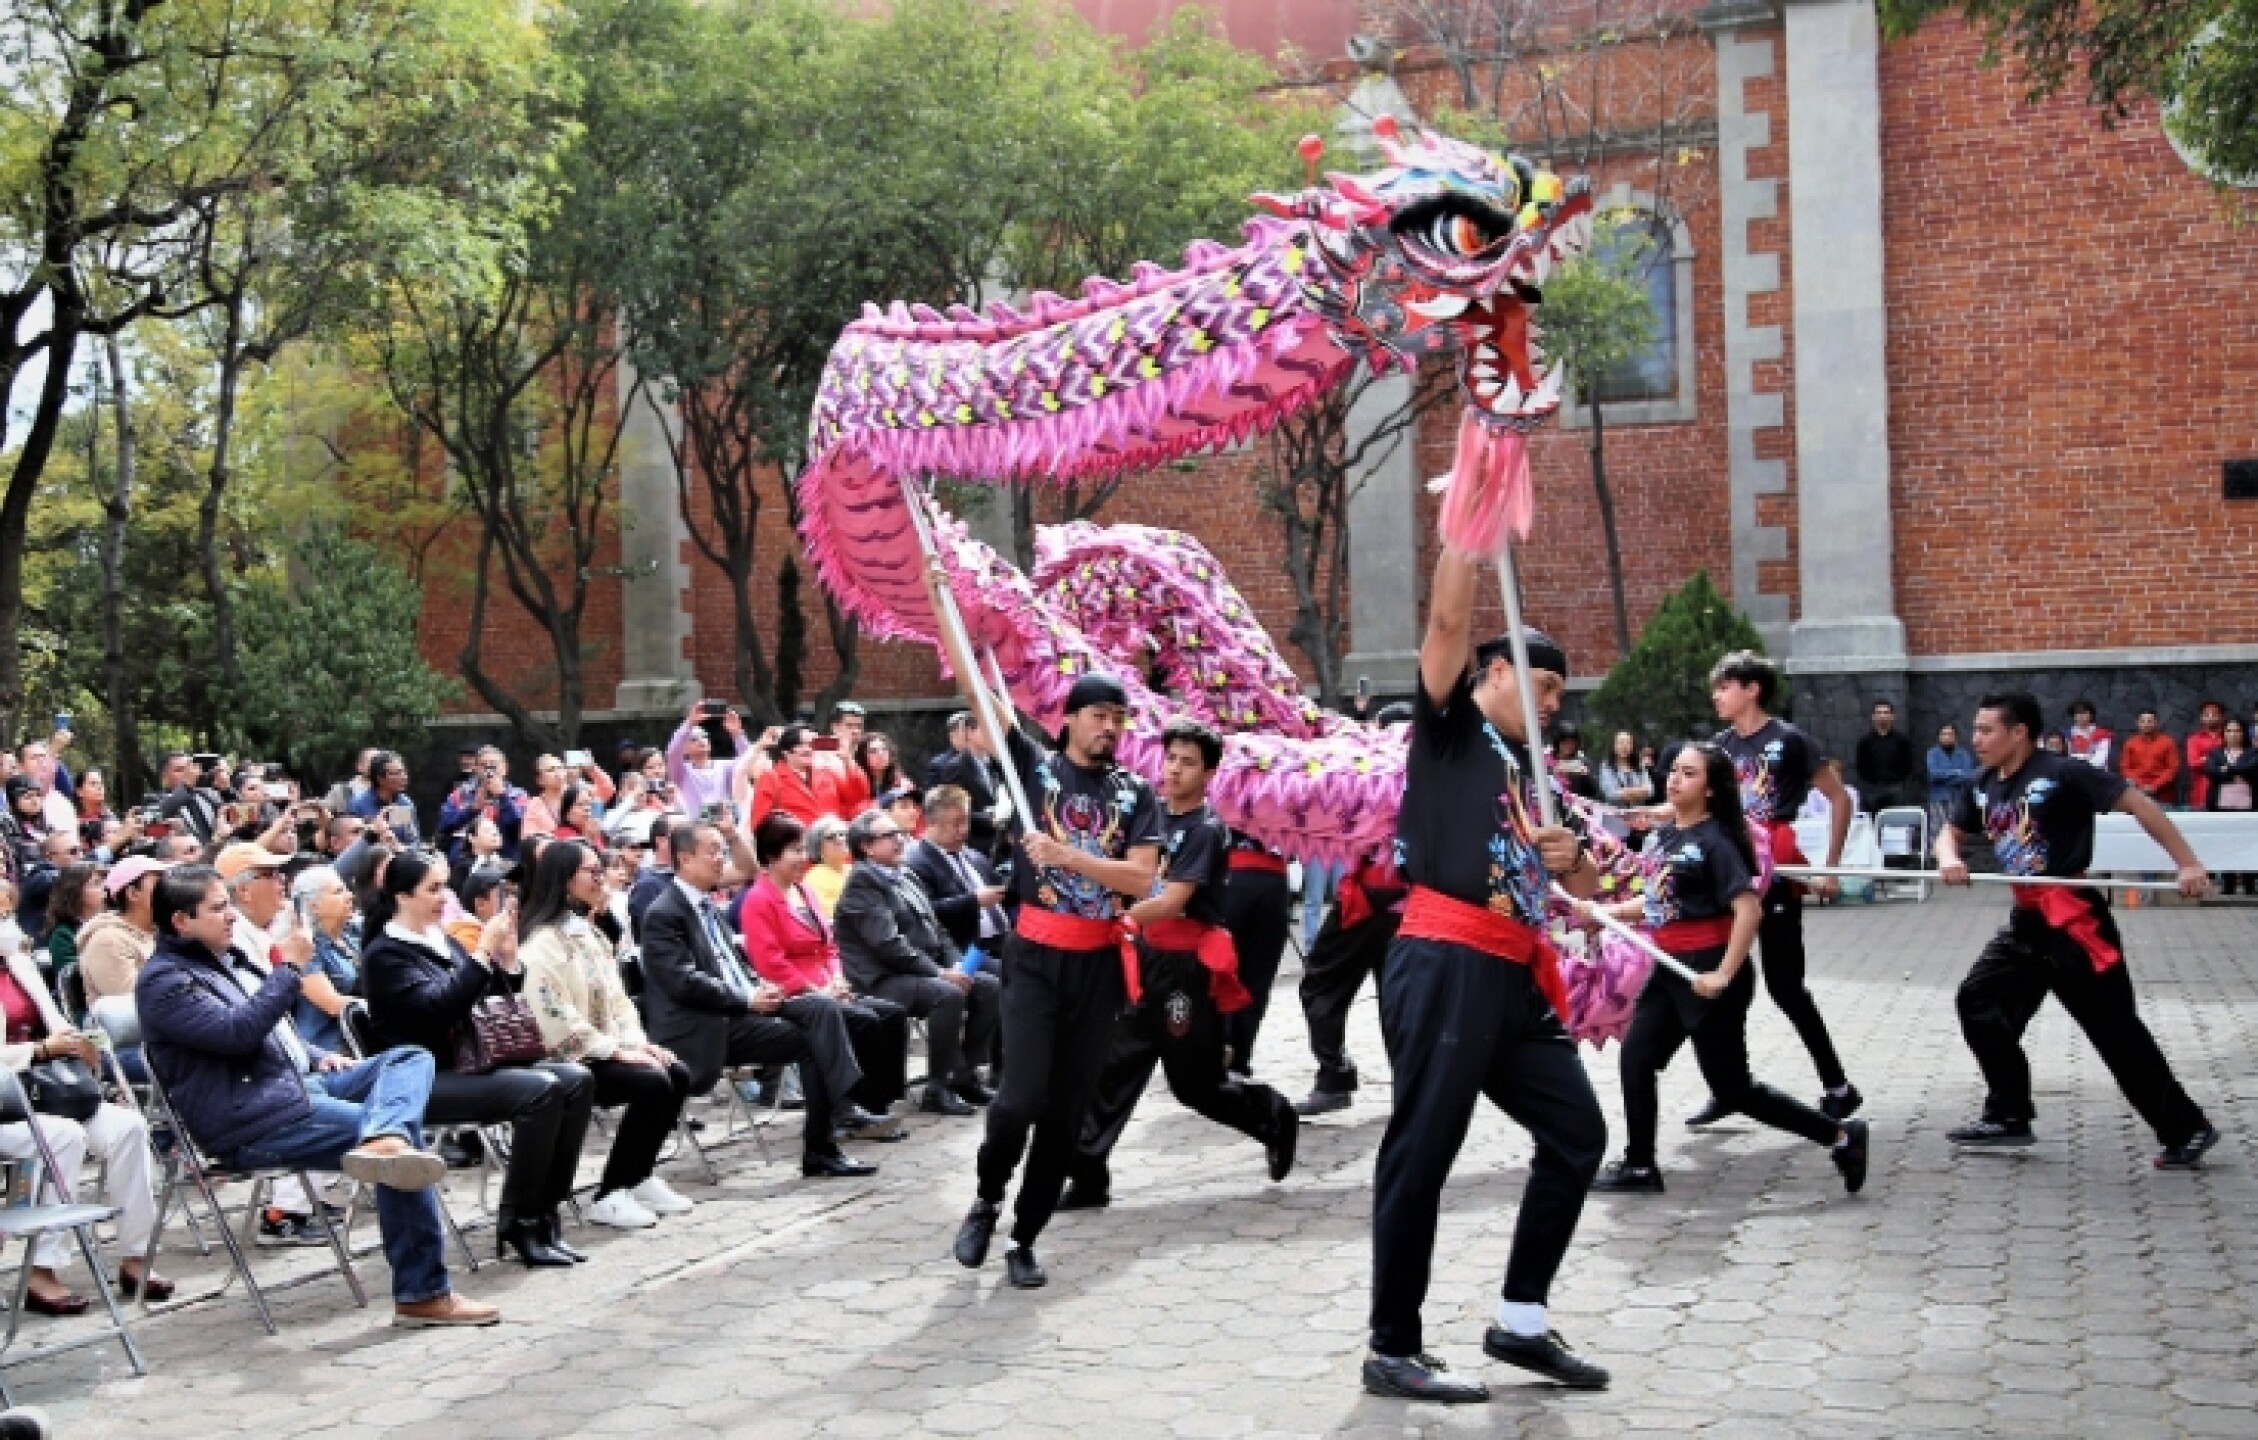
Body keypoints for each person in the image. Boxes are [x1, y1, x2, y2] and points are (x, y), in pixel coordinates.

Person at [1359, 542, 1610, 1404]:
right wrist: (1469, 525)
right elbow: (1445, 624)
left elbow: (1581, 880)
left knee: (1577, 1135)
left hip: (1513, 973)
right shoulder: (1450, 732)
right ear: (1496, 675)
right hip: (1444, 961)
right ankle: (1393, 1345)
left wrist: (1570, 855)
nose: (1552, 708)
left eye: (1561, 699)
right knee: (1424, 1149)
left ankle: (1522, 1322)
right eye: (1541, 689)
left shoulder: (1539, 775)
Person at [140, 865, 500, 1328]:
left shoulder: (216, 961)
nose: (231, 915)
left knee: (406, 1057)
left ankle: (385, 1134)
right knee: (404, 1158)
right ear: (180, 922)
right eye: (218, 907)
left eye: (229, 903)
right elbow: (235, 1035)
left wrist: (314, 1055)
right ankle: (422, 1292)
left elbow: (268, 1034)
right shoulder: (166, 982)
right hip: (252, 1117)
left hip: (294, 1084)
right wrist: (288, 968)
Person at [931, 627, 1160, 1287]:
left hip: (1096, 968)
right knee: (1017, 1100)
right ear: (1069, 720)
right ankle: (986, 1197)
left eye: (1118, 718)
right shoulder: (1032, 768)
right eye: (1098, 715)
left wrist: (1068, 858)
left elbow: (1141, 880)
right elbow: (977, 690)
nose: (1109, 727)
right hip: (1034, 957)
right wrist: (944, 600)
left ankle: (1025, 1237)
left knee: (1065, 1115)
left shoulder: (1134, 794)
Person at [1936, 692, 2219, 1169]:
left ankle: (2187, 1129)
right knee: (1978, 1000)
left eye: (1986, 731)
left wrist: (2188, 864)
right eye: (1976, 730)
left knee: (2115, 1032)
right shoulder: (1981, 784)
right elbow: (1951, 832)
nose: (1976, 740)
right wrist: (1948, 857)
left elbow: (2141, 806)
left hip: (2074, 922)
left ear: (2018, 731)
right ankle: (2008, 1114)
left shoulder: (2065, 773)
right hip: (2025, 924)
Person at [1588, 744, 1869, 1195]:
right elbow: (1661, 902)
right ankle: (1640, 1165)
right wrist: (1604, 911)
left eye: (1689, 773)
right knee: (1637, 1057)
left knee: (1734, 1089)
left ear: (1712, 789)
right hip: (1669, 969)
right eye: (1674, 771)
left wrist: (1723, 973)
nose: (1674, 779)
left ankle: (1841, 1136)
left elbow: (1749, 911)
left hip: (1710, 972)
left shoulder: (1715, 841)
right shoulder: (1666, 836)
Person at [1059, 720, 1297, 1210]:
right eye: (1170, 759)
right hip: (1142, 957)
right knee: (1112, 1067)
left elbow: (1172, 901)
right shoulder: (1149, 817)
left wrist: (1114, 919)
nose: (1175, 769)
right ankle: (1087, 1175)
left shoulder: (1206, 830)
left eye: (1188, 762)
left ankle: (1270, 1114)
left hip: (1185, 967)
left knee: (1195, 1085)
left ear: (1209, 773)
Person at [359, 851, 596, 1268]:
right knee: (540, 1091)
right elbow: (440, 1009)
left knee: (576, 1079)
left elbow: (488, 1003)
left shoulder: (440, 939)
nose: (443, 897)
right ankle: (518, 1221)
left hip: (471, 1062)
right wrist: (481, 955)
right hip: (424, 1076)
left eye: (444, 887)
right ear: (401, 896)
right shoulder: (385, 954)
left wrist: (506, 959)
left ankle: (544, 1211)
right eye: (432, 889)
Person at [638, 820, 876, 1177]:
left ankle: (829, 1133)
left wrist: (760, 988)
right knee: (818, 1037)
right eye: (713, 852)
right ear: (685, 859)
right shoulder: (664, 914)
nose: (721, 860)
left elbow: (732, 966)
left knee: (823, 1012)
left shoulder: (708, 907)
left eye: (722, 851)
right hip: (703, 1025)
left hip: (741, 1010)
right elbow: (683, 983)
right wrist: (748, 997)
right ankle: (833, 1128)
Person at [1701, 651, 1863, 1126]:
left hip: (1775, 863)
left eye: (1725, 686)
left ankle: (1837, 1084)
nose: (1717, 696)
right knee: (1719, 979)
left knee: (1785, 986)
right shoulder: (1720, 746)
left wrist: (1830, 868)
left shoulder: (1789, 740)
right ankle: (1729, 1086)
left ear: (1752, 689)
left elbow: (1837, 798)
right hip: (1731, 865)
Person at [517, 840, 695, 1230]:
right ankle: (611, 1193)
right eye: (591, 872)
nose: (601, 879)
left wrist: (636, 1042)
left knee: (674, 1071)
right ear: (565, 879)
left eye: (602, 870)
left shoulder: (591, 936)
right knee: (650, 1082)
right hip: (567, 1059)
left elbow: (618, 1002)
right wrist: (612, 1050)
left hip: (604, 1049)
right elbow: (552, 1015)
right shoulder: (541, 942)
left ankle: (638, 1175)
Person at [0, 930, 169, 1312]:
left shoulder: (17, 964)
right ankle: (42, 1269)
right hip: (7, 1107)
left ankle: (137, 1254)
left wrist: (79, 1045)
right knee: (63, 1137)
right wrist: (39, 1050)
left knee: (128, 1127)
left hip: (45, 1091)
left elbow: (56, 1024)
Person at [732, 814, 913, 1120]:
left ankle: (880, 1098)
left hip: (829, 985)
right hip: (792, 995)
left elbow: (829, 946)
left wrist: (838, 978)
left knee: (892, 1014)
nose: (803, 857)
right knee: (864, 1020)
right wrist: (818, 990)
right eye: (795, 850)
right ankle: (853, 1105)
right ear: (771, 856)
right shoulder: (758, 900)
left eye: (803, 849)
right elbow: (771, 963)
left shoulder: (805, 892)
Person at [829, 811, 1001, 1117]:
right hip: (882, 979)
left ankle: (965, 1074)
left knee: (988, 986)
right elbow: (888, 946)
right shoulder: (863, 883)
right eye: (890, 835)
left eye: (899, 834)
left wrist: (957, 966)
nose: (900, 840)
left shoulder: (905, 874)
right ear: (867, 847)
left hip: (919, 970)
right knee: (947, 994)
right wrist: (940, 973)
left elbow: (939, 931)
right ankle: (938, 1087)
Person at [1291, 848, 1405, 1116]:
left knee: (1322, 983)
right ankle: (1409, 1086)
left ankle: (1335, 1077)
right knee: (1400, 998)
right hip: (1407, 898)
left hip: (1367, 895)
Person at [1218, 827, 1292, 1082]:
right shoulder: (1290, 788)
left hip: (1231, 874)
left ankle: (1219, 1048)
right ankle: (1239, 1060)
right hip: (1274, 878)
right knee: (1257, 980)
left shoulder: (1220, 788)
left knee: (1218, 969)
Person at [907, 787, 1010, 957]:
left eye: (966, 821)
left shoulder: (974, 855)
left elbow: (1003, 889)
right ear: (931, 823)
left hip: (1006, 940)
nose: (964, 830)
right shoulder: (916, 863)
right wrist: (973, 901)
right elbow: (925, 911)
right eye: (956, 824)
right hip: (966, 952)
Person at [77, 855, 168, 1011]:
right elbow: (137, 1004)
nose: (169, 891)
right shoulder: (107, 941)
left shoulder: (163, 929)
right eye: (159, 885)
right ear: (133, 894)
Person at [289, 866, 360, 1056]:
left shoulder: (352, 932)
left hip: (361, 1038)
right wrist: (387, 1006)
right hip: (327, 1050)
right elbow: (332, 1003)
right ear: (314, 906)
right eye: (338, 891)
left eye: (346, 889)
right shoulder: (305, 948)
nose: (350, 896)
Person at [926, 712, 1004, 859]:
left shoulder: (997, 763)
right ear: (970, 732)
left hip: (1001, 845)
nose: (994, 735)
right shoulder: (956, 767)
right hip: (975, 845)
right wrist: (991, 820)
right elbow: (951, 809)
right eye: (987, 729)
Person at [436, 747, 529, 861]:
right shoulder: (461, 794)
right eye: (484, 765)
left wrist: (503, 797)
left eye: (493, 765)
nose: (489, 770)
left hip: (506, 857)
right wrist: (472, 810)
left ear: (505, 768)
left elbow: (519, 828)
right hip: (465, 859)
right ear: (476, 769)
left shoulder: (519, 795)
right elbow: (444, 825)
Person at [667, 702, 750, 820]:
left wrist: (737, 734)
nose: (701, 740)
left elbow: (749, 761)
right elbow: (672, 753)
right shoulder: (681, 771)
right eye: (694, 739)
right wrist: (689, 723)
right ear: (684, 749)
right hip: (696, 827)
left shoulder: (725, 766)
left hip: (724, 825)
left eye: (704, 736)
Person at [2201, 719, 2257, 894]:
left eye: (2237, 731)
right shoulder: (2216, 753)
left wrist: (2228, 769)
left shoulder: (2253, 752)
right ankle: (2228, 885)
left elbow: (2252, 769)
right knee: (2225, 846)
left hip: (2247, 805)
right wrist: (2235, 772)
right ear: (2224, 734)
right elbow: (2211, 772)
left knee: (2249, 846)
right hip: (2222, 805)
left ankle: (2249, 885)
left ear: (2243, 733)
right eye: (2229, 731)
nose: (2233, 734)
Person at [749, 727, 832, 828]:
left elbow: (851, 799)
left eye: (811, 745)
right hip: (792, 841)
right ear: (786, 751)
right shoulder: (771, 778)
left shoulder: (826, 774)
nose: (808, 749)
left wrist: (847, 760)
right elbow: (759, 822)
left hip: (827, 839)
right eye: (801, 745)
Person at [40, 861, 103, 988]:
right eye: (96, 883)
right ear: (75, 892)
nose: (104, 887)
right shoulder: (62, 935)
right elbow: (75, 982)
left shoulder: (114, 920)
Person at [1854, 699, 1918, 812]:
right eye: (1879, 712)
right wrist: (1871, 782)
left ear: (1892, 716)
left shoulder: (1901, 741)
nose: (1882, 716)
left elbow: (1908, 765)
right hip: (1871, 788)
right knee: (1871, 824)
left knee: (1896, 823)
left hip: (1895, 788)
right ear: (1873, 717)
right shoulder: (1865, 742)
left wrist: (1897, 780)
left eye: (1886, 712)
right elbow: (1861, 766)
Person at [348, 752, 422, 849]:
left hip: (399, 858)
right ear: (380, 779)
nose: (404, 777)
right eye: (397, 773)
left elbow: (412, 840)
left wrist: (400, 848)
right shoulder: (358, 805)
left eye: (404, 772)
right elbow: (352, 844)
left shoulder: (403, 803)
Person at [2119, 710, 2180, 807]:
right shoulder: (2130, 743)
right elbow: (2125, 768)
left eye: (2149, 721)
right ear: (2138, 723)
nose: (2146, 724)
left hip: (2163, 791)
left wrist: (2155, 785)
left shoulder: (2168, 742)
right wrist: (2140, 785)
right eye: (2143, 721)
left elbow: (2172, 768)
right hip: (2136, 791)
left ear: (2156, 723)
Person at [1926, 722, 1978, 836]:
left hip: (1958, 799)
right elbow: (1934, 775)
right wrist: (1955, 772)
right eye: (1944, 734)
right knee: (1936, 832)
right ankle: (1935, 854)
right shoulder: (1933, 754)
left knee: (1955, 832)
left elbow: (1967, 777)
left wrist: (1945, 776)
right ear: (1939, 737)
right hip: (1938, 798)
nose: (1947, 737)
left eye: (1950, 734)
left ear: (1955, 737)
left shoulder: (1964, 755)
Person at [801, 816, 852, 916]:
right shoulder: (814, 878)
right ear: (818, 847)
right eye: (831, 837)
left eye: (843, 834)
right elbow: (829, 915)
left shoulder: (853, 870)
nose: (840, 839)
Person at [2185, 700, 2227, 811]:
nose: (2210, 717)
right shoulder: (2194, 740)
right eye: (2207, 714)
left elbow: (2236, 762)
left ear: (2222, 717)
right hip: (2201, 791)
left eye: (2214, 714)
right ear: (2201, 718)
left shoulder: (2229, 736)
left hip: (2228, 789)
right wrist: (2216, 759)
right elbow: (2193, 764)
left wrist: (2204, 758)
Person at [1597, 730, 1654, 808]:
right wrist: (1639, 791)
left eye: (1628, 743)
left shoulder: (1640, 766)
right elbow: (1611, 794)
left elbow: (1650, 791)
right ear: (1614, 746)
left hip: (1638, 814)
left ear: (1632, 746)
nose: (1624, 746)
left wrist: (1624, 792)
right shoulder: (1607, 766)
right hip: (1615, 814)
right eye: (1621, 743)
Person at [2066, 700, 2113, 770]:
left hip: (2095, 772)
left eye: (2084, 713)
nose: (2080, 716)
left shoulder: (2102, 734)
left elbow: (2101, 757)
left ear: (2091, 715)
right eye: (2077, 713)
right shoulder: (2067, 734)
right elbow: (2065, 756)